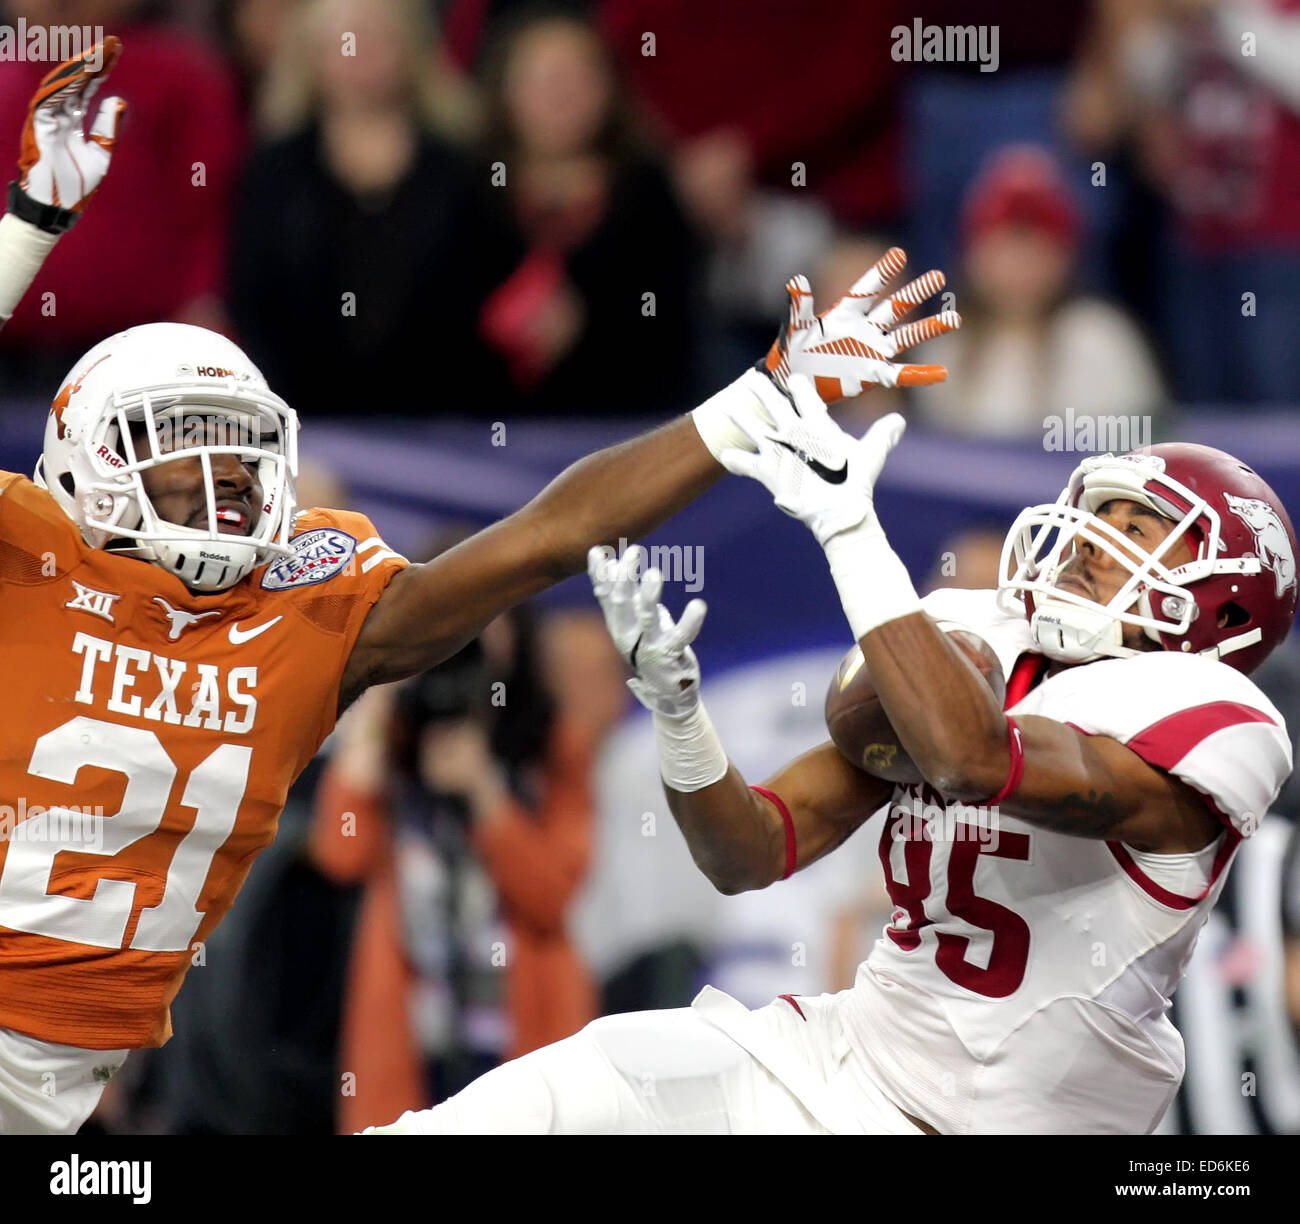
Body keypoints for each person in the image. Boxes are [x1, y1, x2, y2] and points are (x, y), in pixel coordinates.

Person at [0, 43, 954, 1134]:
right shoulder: (27, 556)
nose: (218, 486)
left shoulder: (303, 605)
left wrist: (747, 409)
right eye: (178, 454)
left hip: (64, 1088)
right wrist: (28, 225)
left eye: (239, 454)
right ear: (79, 462)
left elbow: (547, 538)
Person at [372, 380, 1296, 1136]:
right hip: (847, 1060)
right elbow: (749, 852)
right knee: (556, 1095)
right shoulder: (975, 641)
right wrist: (679, 715)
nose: (1094, 543)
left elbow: (977, 761)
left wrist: (854, 539)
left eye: (1138, 531)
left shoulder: (1215, 718)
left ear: (1225, 607)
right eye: (1102, 514)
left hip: (1015, 1121)